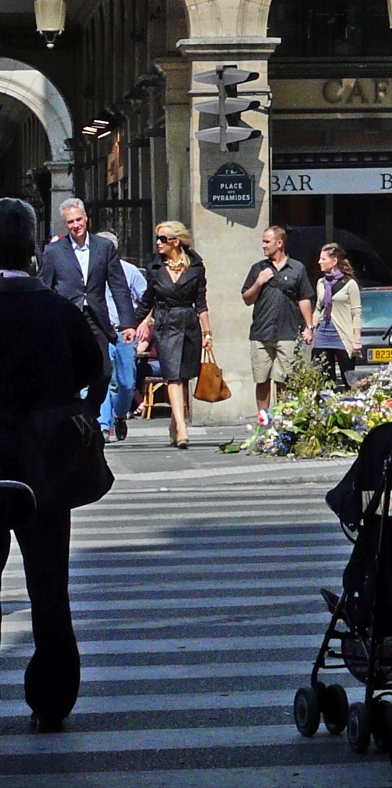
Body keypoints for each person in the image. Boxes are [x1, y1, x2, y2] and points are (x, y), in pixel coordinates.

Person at [0, 195, 109, 730]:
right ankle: (51, 699)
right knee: (48, 586)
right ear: (31, 249)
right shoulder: (57, 310)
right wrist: (73, 409)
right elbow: (97, 369)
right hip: (42, 464)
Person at [36, 198, 137, 383]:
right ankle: (73, 401)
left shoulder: (104, 247)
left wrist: (128, 323)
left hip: (96, 317)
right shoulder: (53, 251)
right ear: (65, 224)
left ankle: (91, 402)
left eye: (78, 219)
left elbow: (119, 286)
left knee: (104, 372)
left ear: (86, 218)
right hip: (67, 317)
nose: (76, 225)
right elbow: (44, 287)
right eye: (70, 222)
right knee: (70, 370)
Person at [131, 221, 211, 449]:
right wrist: (131, 324)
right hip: (165, 324)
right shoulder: (155, 268)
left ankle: (175, 423)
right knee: (172, 376)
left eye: (163, 239)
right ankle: (182, 427)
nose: (158, 243)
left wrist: (207, 333)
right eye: (157, 238)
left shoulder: (196, 267)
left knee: (183, 376)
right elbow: (147, 301)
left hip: (189, 324)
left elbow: (201, 302)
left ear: (176, 241)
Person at [240, 223, 314, 420]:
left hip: (287, 332)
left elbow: (304, 298)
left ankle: (283, 420)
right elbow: (247, 298)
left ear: (279, 243)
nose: (263, 245)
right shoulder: (258, 268)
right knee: (262, 379)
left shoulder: (297, 268)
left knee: (285, 379)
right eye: (263, 241)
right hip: (261, 333)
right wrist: (259, 282)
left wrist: (309, 326)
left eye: (267, 241)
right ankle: (264, 420)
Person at [98, 235, 146, 443]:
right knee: (104, 378)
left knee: (127, 383)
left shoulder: (130, 271)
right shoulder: (91, 273)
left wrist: (141, 324)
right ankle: (103, 425)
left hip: (124, 332)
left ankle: (119, 415)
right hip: (102, 331)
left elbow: (146, 300)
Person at [310, 243, 362, 387]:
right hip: (323, 334)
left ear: (334, 261)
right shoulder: (321, 283)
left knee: (348, 379)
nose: (319, 262)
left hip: (342, 335)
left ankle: (351, 401)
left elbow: (356, 312)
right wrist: (310, 328)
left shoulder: (350, 284)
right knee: (325, 379)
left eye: (323, 259)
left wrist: (356, 339)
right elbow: (318, 308)